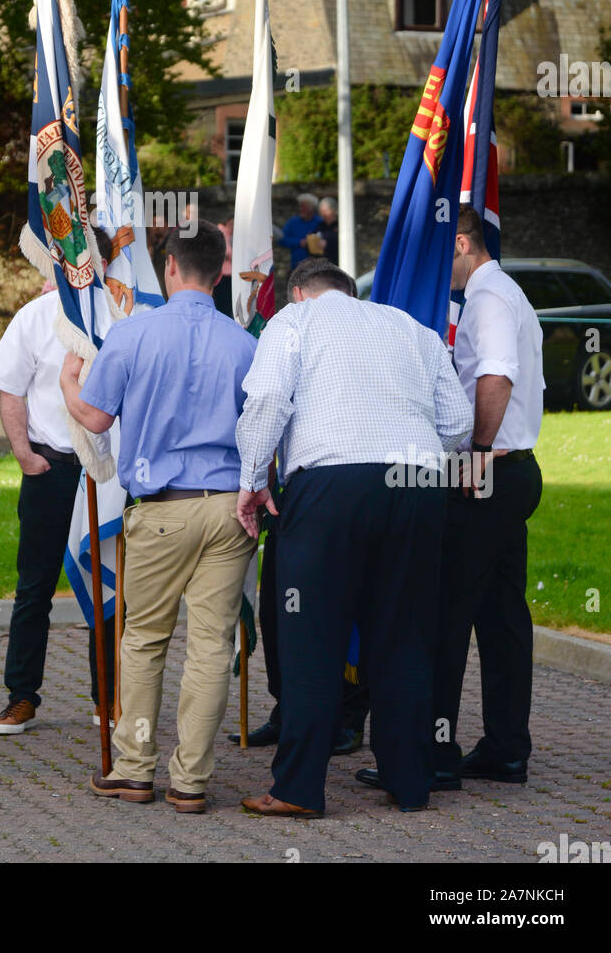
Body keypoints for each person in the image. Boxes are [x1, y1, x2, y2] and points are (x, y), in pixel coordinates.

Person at [236, 262, 472, 817]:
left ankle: (297, 788)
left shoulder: (292, 321)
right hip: (416, 482)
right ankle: (409, 781)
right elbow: (459, 422)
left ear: (298, 293)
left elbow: (268, 400)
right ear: (349, 291)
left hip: (330, 483)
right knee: (406, 635)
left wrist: (252, 481)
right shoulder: (412, 327)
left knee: (311, 637)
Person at [61, 219, 257, 813]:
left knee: (144, 640)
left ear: (169, 267)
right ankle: (191, 781)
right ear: (221, 271)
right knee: (211, 647)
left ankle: (136, 768)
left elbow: (94, 420)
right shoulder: (245, 343)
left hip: (162, 510)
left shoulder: (132, 335)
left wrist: (70, 383)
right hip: (229, 511)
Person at [229, 258, 368, 756]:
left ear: (299, 298)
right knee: (282, 607)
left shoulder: (349, 329)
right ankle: (288, 707)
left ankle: (349, 714)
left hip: (336, 484)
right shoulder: (311, 326)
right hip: (300, 489)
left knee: (348, 610)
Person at [429, 205, 545, 787]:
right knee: (501, 617)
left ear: (462, 244)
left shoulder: (488, 297)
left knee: (448, 612)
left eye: (440, 250)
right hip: (512, 472)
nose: (437, 265)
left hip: (490, 473)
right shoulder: (505, 293)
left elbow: (496, 374)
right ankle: (504, 748)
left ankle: (436, 753)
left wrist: (474, 450)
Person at [0, 227, 116, 735]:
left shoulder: (122, 320)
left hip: (106, 472)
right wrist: (23, 453)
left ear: (101, 265)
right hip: (49, 466)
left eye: (87, 259)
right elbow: (10, 389)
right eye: (69, 259)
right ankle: (21, 695)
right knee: (34, 585)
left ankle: (108, 698)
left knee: (107, 584)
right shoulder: (34, 317)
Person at [276, 193, 320, 268]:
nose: (300, 209)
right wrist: (299, 242)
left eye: (303, 206)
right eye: (300, 206)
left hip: (317, 266)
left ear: (311, 208)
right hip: (297, 266)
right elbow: (282, 239)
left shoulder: (320, 222)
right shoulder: (292, 222)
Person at [213, 217, 234, 317]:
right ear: (226, 222)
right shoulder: (221, 231)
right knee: (223, 304)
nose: (232, 226)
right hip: (222, 274)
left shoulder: (231, 234)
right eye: (231, 224)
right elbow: (226, 251)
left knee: (228, 303)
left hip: (229, 274)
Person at [314, 196, 339, 264]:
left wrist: (328, 245)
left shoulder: (341, 225)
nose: (324, 214)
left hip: (337, 263)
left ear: (334, 210)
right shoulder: (320, 226)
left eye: (326, 211)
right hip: (322, 264)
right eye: (322, 211)